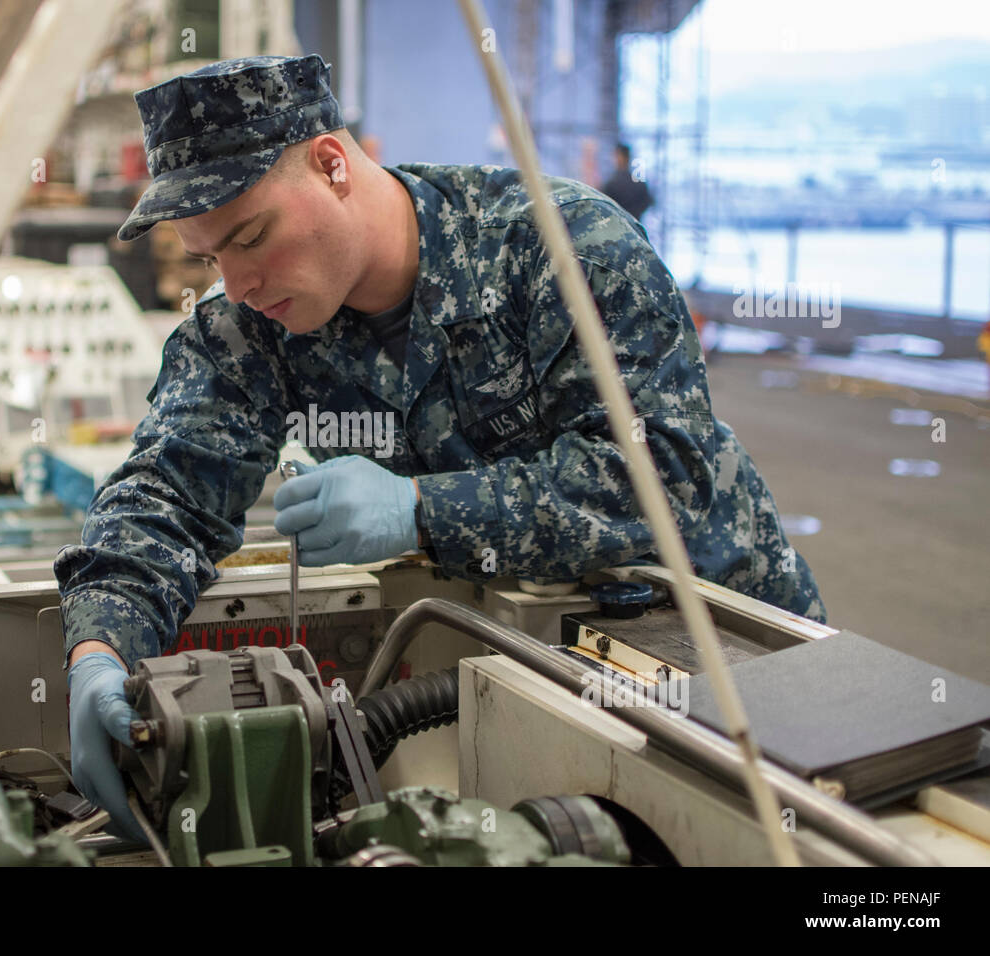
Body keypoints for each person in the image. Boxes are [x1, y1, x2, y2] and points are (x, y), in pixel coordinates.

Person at [53, 55, 826, 835]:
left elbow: (666, 479)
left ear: (332, 165)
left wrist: (423, 510)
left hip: (723, 648)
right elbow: (167, 493)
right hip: (529, 661)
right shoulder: (247, 328)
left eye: (252, 237)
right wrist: (99, 654)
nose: (239, 282)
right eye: (210, 257)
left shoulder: (561, 250)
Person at [599, 143, 654, 221]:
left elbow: (603, 204)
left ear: (620, 157)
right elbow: (648, 202)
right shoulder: (639, 183)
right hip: (635, 226)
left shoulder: (613, 183)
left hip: (617, 225)